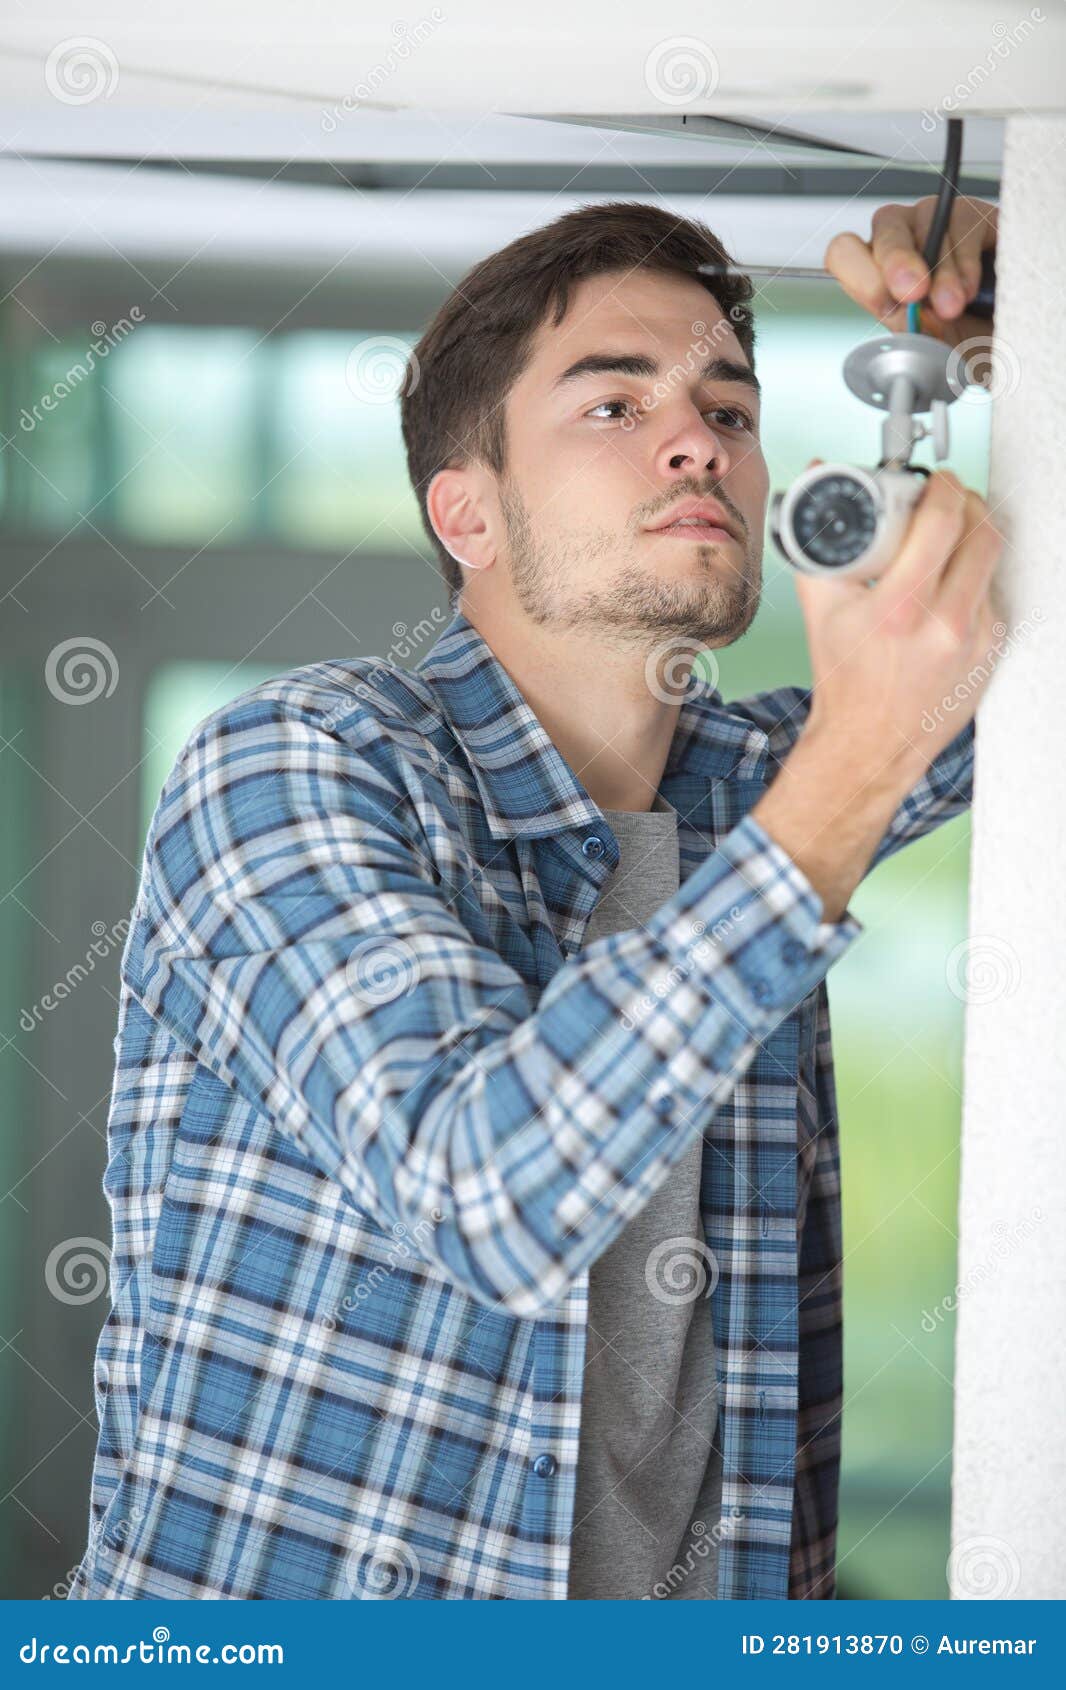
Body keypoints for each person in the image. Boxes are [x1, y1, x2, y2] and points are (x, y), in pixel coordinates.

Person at [70, 192, 1002, 1601]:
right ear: (467, 511)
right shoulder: (299, 761)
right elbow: (481, 1195)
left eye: (728, 411)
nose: (698, 440)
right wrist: (848, 778)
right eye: (613, 406)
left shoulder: (758, 791)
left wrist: (1024, 334)